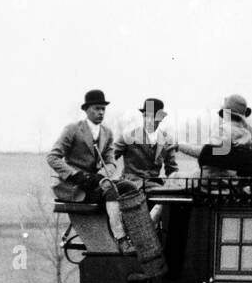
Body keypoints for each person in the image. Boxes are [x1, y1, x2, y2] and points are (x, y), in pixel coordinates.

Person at [47, 89, 140, 251]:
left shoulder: (107, 132)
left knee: (129, 187)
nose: (101, 112)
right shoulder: (72, 130)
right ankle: (122, 239)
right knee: (112, 191)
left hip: (96, 182)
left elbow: (111, 162)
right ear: (86, 110)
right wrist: (75, 175)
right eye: (96, 108)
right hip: (77, 186)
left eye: (103, 109)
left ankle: (139, 234)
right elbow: (52, 157)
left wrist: (100, 175)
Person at [114, 97, 178, 186]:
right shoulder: (128, 136)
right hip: (131, 185)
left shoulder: (167, 140)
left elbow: (172, 169)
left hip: (154, 185)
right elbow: (110, 156)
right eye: (146, 115)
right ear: (143, 115)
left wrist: (173, 182)